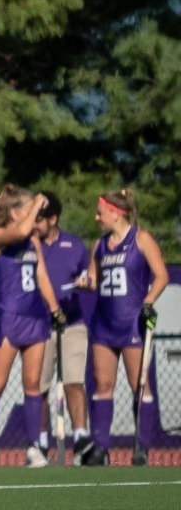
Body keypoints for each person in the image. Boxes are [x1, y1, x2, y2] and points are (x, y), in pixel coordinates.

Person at [0, 185, 60, 467]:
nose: (35, 215)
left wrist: (55, 309)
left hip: (35, 317)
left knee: (33, 384)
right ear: (15, 213)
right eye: (29, 209)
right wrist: (37, 202)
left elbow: (41, 275)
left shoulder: (33, 241)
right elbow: (18, 232)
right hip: (8, 317)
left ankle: (33, 447)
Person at [85, 189, 168, 466]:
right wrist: (85, 282)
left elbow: (161, 276)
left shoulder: (140, 239)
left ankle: (141, 448)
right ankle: (101, 449)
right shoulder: (100, 245)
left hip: (132, 323)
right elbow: (94, 279)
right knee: (103, 384)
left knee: (139, 384)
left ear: (116, 213)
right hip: (104, 324)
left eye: (100, 213)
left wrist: (148, 301)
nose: (97, 218)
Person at [30, 193, 94, 460]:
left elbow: (91, 279)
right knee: (39, 387)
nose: (34, 224)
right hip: (38, 327)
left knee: (74, 382)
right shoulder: (28, 245)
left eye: (39, 219)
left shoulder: (75, 245)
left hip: (72, 324)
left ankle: (81, 439)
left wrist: (86, 282)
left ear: (53, 219)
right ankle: (40, 443)